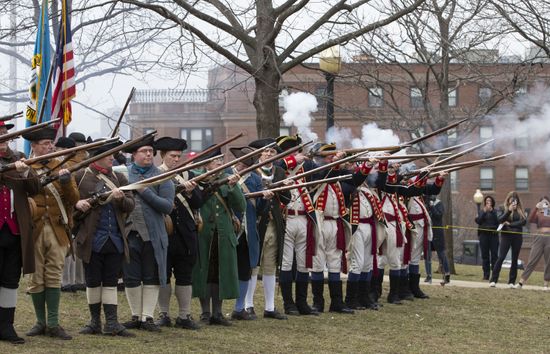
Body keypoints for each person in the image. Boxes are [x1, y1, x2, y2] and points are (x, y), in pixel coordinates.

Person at [73, 140, 135, 337]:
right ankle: (94, 322)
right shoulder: (81, 176)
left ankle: (112, 322)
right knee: (92, 281)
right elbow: (68, 204)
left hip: (115, 239)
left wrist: (121, 199)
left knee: (110, 281)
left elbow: (131, 204)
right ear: (98, 156)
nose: (112, 158)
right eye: (109, 155)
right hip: (91, 238)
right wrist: (77, 204)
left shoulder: (119, 177)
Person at [24, 127, 80, 340]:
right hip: (34, 228)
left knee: (54, 274)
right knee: (36, 277)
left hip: (57, 227)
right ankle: (40, 322)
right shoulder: (27, 168)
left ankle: (54, 323)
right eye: (44, 144)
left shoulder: (62, 167)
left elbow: (74, 199)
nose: (49, 147)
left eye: (50, 143)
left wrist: (65, 182)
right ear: (34, 147)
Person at [122, 136, 175, 332]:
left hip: (154, 235)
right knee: (131, 277)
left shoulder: (162, 177)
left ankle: (148, 317)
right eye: (144, 151)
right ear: (134, 154)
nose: (148, 154)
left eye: (150, 152)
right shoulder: (123, 174)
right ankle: (135, 316)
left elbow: (167, 207)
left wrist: (146, 192)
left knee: (151, 276)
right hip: (129, 233)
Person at [192, 147, 246, 326]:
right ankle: (205, 312)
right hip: (203, 232)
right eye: (217, 161)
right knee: (204, 272)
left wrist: (232, 187)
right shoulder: (197, 178)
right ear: (207, 163)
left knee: (219, 272)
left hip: (222, 233)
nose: (221, 164)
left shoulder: (227, 179)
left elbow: (241, 205)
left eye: (221, 161)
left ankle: (218, 313)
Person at [154, 137, 203, 330]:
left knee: (185, 275)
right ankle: (163, 314)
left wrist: (191, 192)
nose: (176, 159)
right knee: (163, 275)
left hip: (186, 233)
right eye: (173, 156)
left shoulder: (188, 174)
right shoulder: (156, 174)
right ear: (163, 156)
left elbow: (199, 202)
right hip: (164, 231)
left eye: (178, 156)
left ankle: (184, 315)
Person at [0, 121, 41, 344]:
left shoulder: (18, 158)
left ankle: (7, 326)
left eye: (6, 136)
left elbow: (35, 188)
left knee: (10, 280)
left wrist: (26, 172)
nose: (4, 141)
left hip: (15, 230)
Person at [244, 138, 289, 320]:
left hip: (274, 223)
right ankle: (248, 305)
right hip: (256, 222)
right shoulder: (251, 172)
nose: (269, 155)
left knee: (270, 265)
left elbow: (286, 199)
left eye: (272, 152)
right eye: (266, 152)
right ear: (259, 154)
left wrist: (284, 188)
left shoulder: (279, 172)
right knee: (253, 264)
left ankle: (270, 307)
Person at [275, 135, 318, 316]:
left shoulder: (303, 168)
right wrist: (291, 159)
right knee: (286, 263)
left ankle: (302, 302)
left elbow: (321, 172)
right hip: (287, 219)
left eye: (297, 150)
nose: (297, 154)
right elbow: (277, 167)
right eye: (292, 151)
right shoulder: (278, 170)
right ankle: (288, 303)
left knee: (303, 264)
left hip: (303, 218)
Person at [490, 191, 527, 288]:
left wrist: (510, 224)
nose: (513, 200)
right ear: (508, 199)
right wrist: (509, 211)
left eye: (515, 199)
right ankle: (493, 280)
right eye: (512, 198)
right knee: (501, 257)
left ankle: (511, 281)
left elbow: (523, 222)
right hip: (506, 236)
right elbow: (500, 220)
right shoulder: (503, 208)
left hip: (517, 236)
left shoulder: (520, 210)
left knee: (514, 259)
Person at [516, 196, 550, 290]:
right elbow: (530, 220)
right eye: (542, 202)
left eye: (546, 202)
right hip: (539, 237)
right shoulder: (538, 213)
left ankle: (546, 285)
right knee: (532, 260)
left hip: (549, 238)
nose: (544, 204)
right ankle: (521, 283)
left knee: (549, 262)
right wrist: (536, 208)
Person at [426, 196, 451, 286]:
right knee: (427, 254)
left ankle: (447, 274)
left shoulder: (439, 204)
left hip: (437, 233)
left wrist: (432, 206)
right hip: (428, 232)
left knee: (441, 254)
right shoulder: (425, 203)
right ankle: (428, 275)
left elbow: (438, 215)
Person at [475, 195, 499, 281]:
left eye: (490, 201)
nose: (488, 202)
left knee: (494, 256)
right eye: (487, 201)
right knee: (485, 256)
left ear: (492, 203)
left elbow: (499, 221)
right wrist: (484, 212)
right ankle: (486, 275)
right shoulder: (481, 211)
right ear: (485, 203)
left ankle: (494, 275)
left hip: (493, 235)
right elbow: (478, 221)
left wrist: (491, 211)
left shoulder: (496, 212)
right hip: (483, 235)